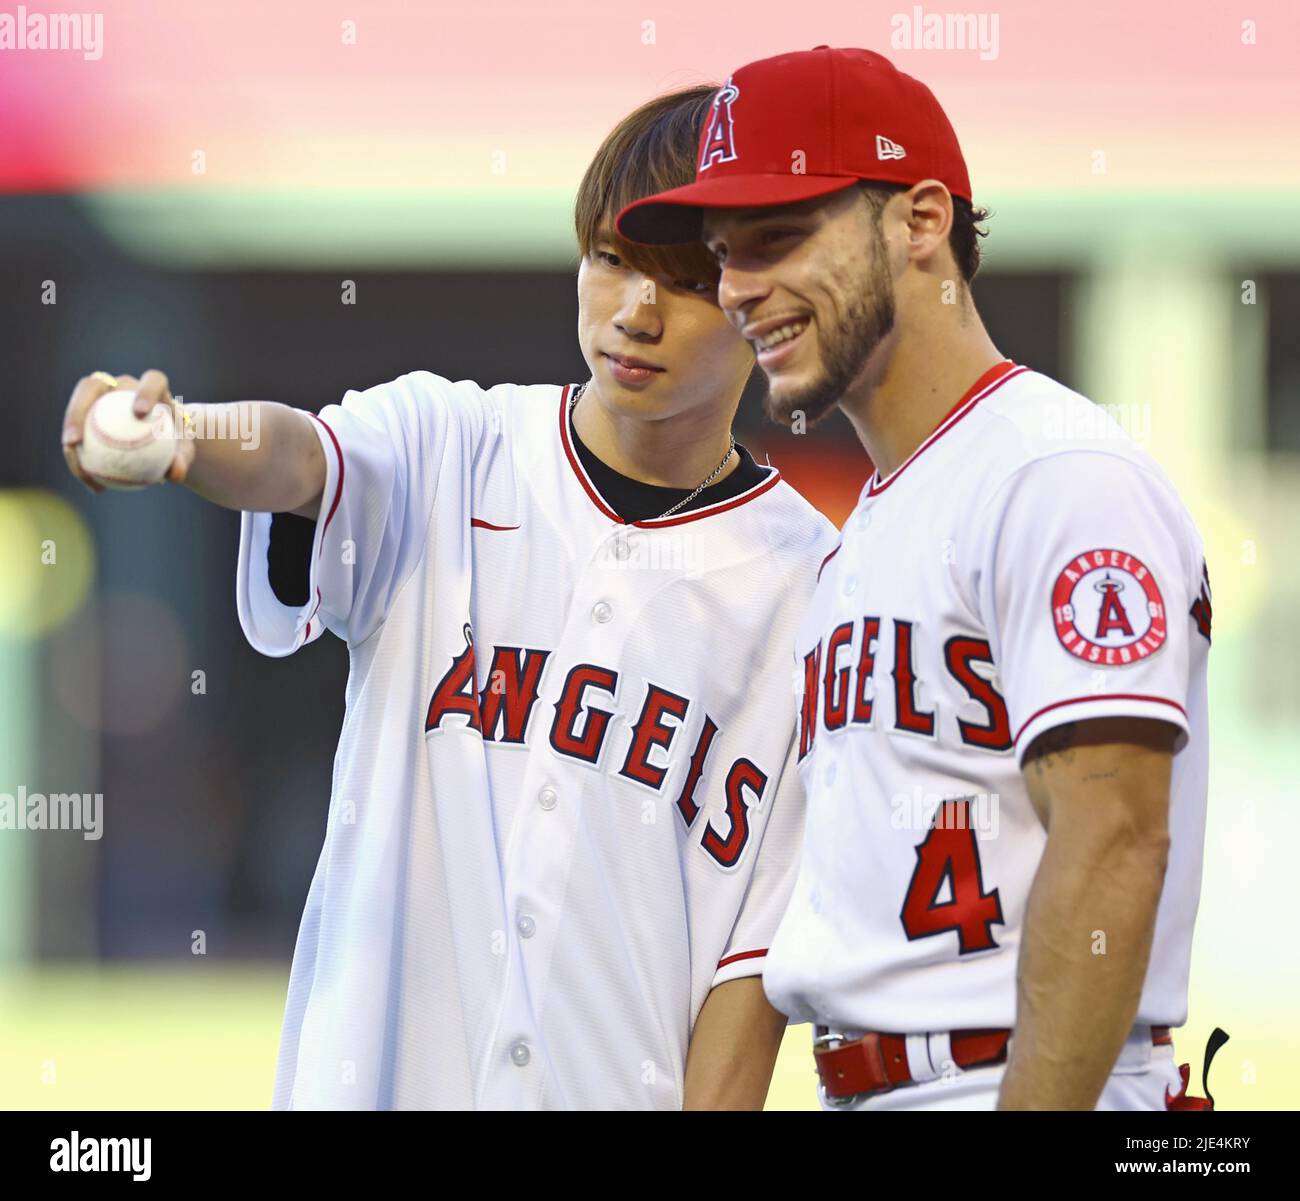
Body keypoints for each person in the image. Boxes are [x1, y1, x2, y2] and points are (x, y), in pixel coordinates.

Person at [61, 85, 838, 1110]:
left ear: (760, 298)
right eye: (610, 258)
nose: (634, 310)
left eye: (686, 281)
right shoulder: (449, 443)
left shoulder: (815, 588)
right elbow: (299, 456)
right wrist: (184, 437)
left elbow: (747, 997)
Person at [618, 46, 1212, 1111]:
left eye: (779, 235)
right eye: (722, 253)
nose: (738, 287)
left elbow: (1116, 834)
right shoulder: (871, 528)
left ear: (922, 220)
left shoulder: (1051, 473)